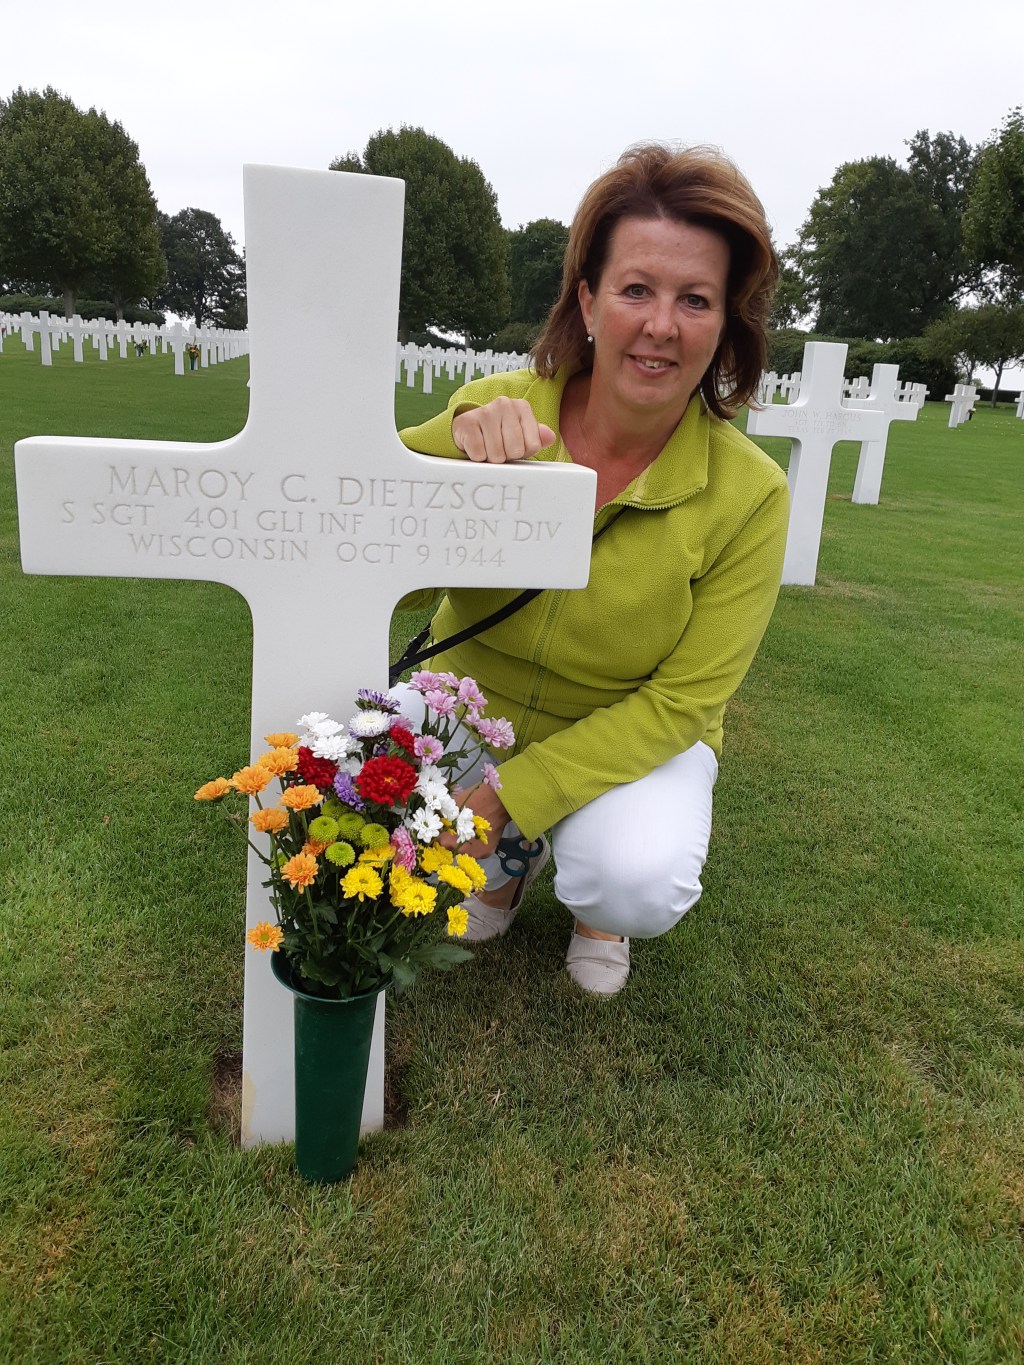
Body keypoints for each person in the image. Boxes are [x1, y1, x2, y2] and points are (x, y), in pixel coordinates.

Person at [396, 143, 789, 996]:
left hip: (630, 732)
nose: (661, 325)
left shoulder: (751, 495)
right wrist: (452, 452)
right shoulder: (498, 412)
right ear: (587, 298)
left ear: (725, 324)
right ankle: (503, 869)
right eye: (636, 289)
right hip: (473, 695)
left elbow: (684, 701)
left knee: (634, 874)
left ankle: (594, 904)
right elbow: (360, 523)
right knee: (344, 783)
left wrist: (509, 796)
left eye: (695, 300)